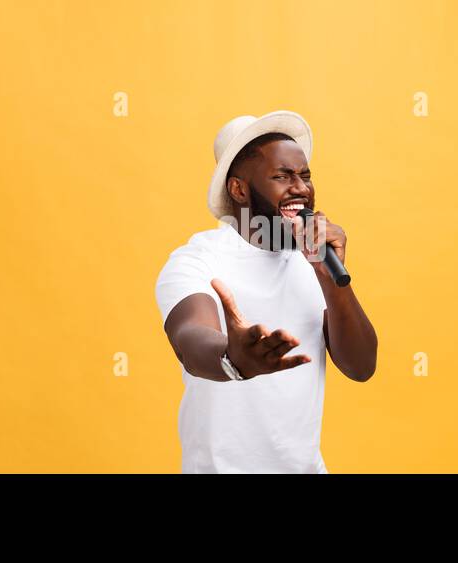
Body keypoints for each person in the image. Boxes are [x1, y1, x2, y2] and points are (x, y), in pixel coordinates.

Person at [154, 111, 379, 473]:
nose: (301, 188)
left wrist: (327, 275)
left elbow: (361, 366)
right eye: (282, 176)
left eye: (305, 176)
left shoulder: (310, 263)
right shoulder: (198, 260)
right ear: (239, 189)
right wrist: (233, 358)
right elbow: (190, 340)